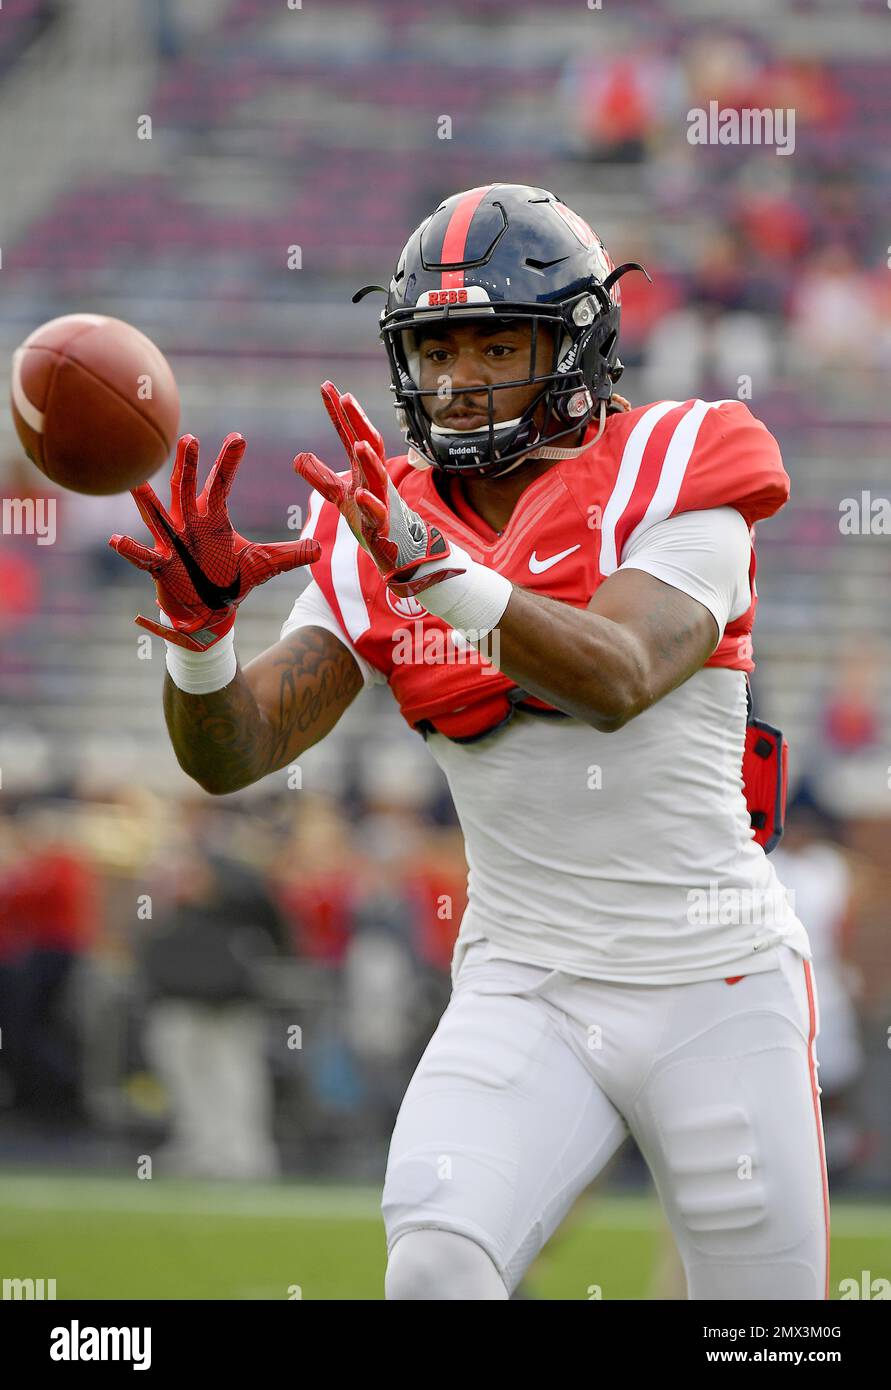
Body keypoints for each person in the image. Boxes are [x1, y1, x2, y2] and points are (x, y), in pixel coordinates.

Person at [110, 183, 826, 1300]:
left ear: (577, 344)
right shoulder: (381, 520)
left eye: (497, 344)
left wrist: (439, 574)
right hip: (526, 982)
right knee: (437, 1267)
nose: (457, 380)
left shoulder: (680, 461)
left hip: (714, 979)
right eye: (436, 350)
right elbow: (232, 751)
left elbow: (620, 676)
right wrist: (201, 643)